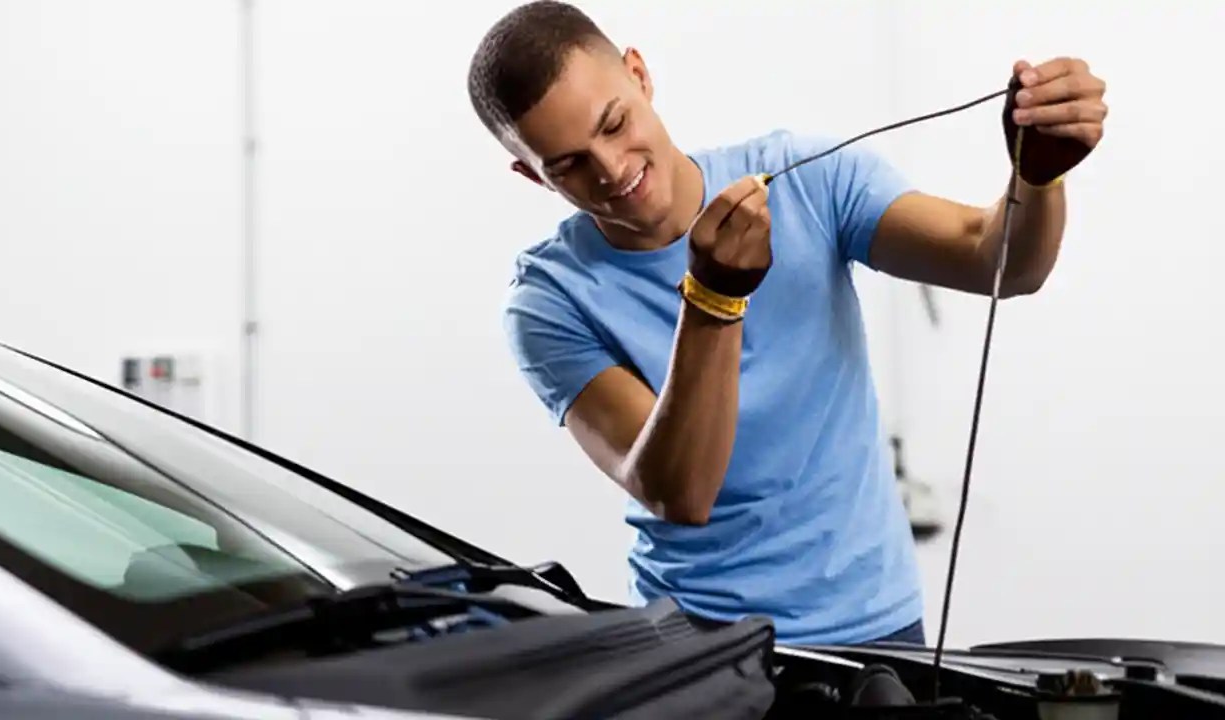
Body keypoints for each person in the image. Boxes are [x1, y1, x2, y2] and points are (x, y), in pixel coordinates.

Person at [466, 1, 1108, 646]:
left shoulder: (807, 179)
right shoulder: (548, 299)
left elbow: (997, 261)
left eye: (614, 124)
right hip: (695, 645)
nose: (610, 169)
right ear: (530, 175)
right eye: (568, 164)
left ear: (639, 75)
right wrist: (714, 300)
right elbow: (681, 493)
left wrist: (1036, 176)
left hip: (875, 628)